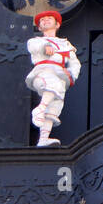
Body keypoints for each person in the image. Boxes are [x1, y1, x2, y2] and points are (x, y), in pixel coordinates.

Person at [25, 10, 80, 146]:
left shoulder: (66, 45)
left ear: (57, 25)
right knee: (52, 84)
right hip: (43, 72)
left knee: (54, 107)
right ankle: (40, 109)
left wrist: (72, 75)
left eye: (49, 18)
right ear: (39, 28)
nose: (45, 21)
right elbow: (35, 47)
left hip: (60, 76)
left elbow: (74, 62)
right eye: (42, 20)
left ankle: (43, 138)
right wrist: (45, 46)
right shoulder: (36, 41)